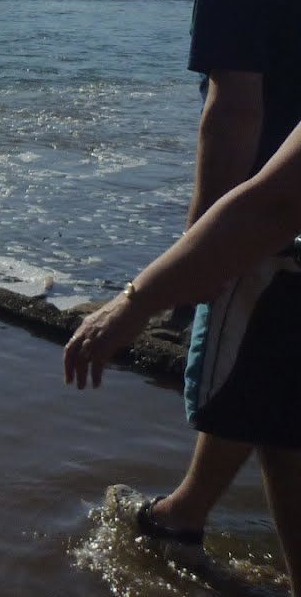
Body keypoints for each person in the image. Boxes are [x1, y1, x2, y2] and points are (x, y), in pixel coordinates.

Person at [99, 0, 301, 558]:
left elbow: (234, 112)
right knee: (255, 375)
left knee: (280, 422)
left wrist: (197, 251)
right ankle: (185, 510)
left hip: (270, 224)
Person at [65, 119, 301, 593]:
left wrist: (140, 298)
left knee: (277, 422)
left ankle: (179, 516)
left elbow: (270, 196)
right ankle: (182, 513)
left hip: (261, 254)